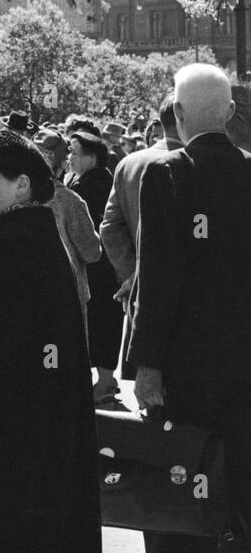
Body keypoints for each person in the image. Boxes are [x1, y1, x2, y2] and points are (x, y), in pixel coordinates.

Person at [0, 131, 103, 553]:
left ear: (22, 185)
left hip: (20, 429)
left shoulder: (13, 240)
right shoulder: (28, 231)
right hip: (40, 424)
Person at [130, 65, 251, 553]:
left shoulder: (169, 172)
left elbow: (159, 278)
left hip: (186, 371)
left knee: (181, 491)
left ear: (178, 116)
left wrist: (146, 366)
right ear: (229, 113)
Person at [100, 96, 183, 384]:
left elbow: (110, 226)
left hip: (139, 292)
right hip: (184, 299)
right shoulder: (193, 162)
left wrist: (130, 276)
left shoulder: (128, 163)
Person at [68, 130, 121, 406]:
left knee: (101, 321)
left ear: (92, 157)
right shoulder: (84, 180)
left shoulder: (95, 183)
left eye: (75, 153)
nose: (70, 158)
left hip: (99, 268)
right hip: (96, 266)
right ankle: (104, 379)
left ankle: (105, 381)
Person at [32, 127, 101, 339]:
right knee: (68, 365)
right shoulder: (69, 201)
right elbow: (91, 252)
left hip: (29, 296)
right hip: (68, 297)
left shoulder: (12, 196)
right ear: (62, 163)